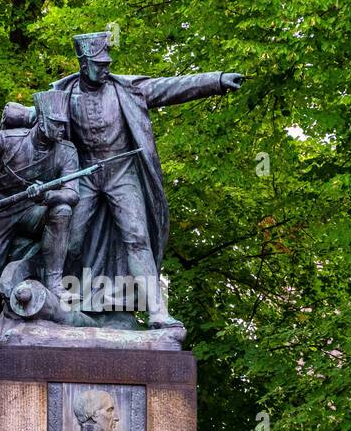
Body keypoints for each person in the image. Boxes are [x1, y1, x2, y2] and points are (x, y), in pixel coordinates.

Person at [51, 32, 244, 327]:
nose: (106, 68)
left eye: (107, 63)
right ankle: (58, 305)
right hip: (84, 175)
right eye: (100, 64)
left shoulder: (127, 89)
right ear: (83, 63)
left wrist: (217, 80)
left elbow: (171, 87)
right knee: (70, 241)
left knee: (137, 237)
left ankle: (156, 311)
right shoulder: (62, 95)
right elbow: (36, 123)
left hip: (121, 173)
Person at [0, 91, 78, 318]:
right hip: (0, 208)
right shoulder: (8, 139)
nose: (62, 130)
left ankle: (54, 281)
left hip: (35, 210)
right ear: (41, 121)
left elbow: (71, 194)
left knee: (62, 210)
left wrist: (47, 195)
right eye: (56, 124)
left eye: (63, 125)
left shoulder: (66, 151)